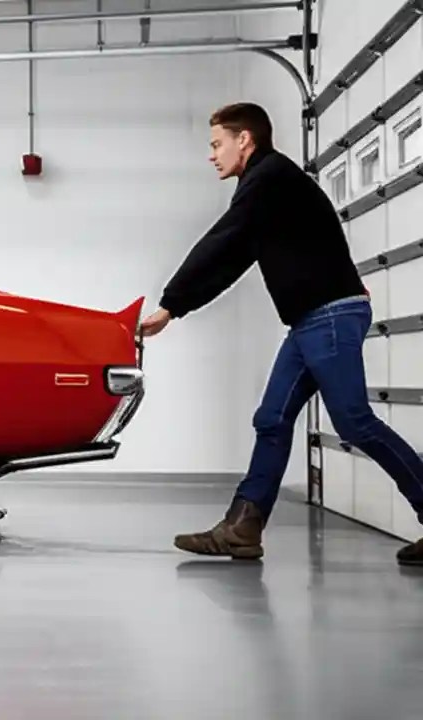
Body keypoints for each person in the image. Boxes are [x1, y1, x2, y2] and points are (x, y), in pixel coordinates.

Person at [139, 102, 423, 565]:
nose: (212, 155)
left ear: (244, 140)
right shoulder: (268, 186)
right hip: (312, 319)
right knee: (271, 420)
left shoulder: (268, 178)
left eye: (217, 144)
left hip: (328, 315)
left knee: (353, 421)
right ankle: (241, 528)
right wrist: (179, 306)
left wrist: (170, 304)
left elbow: (223, 240)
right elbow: (234, 257)